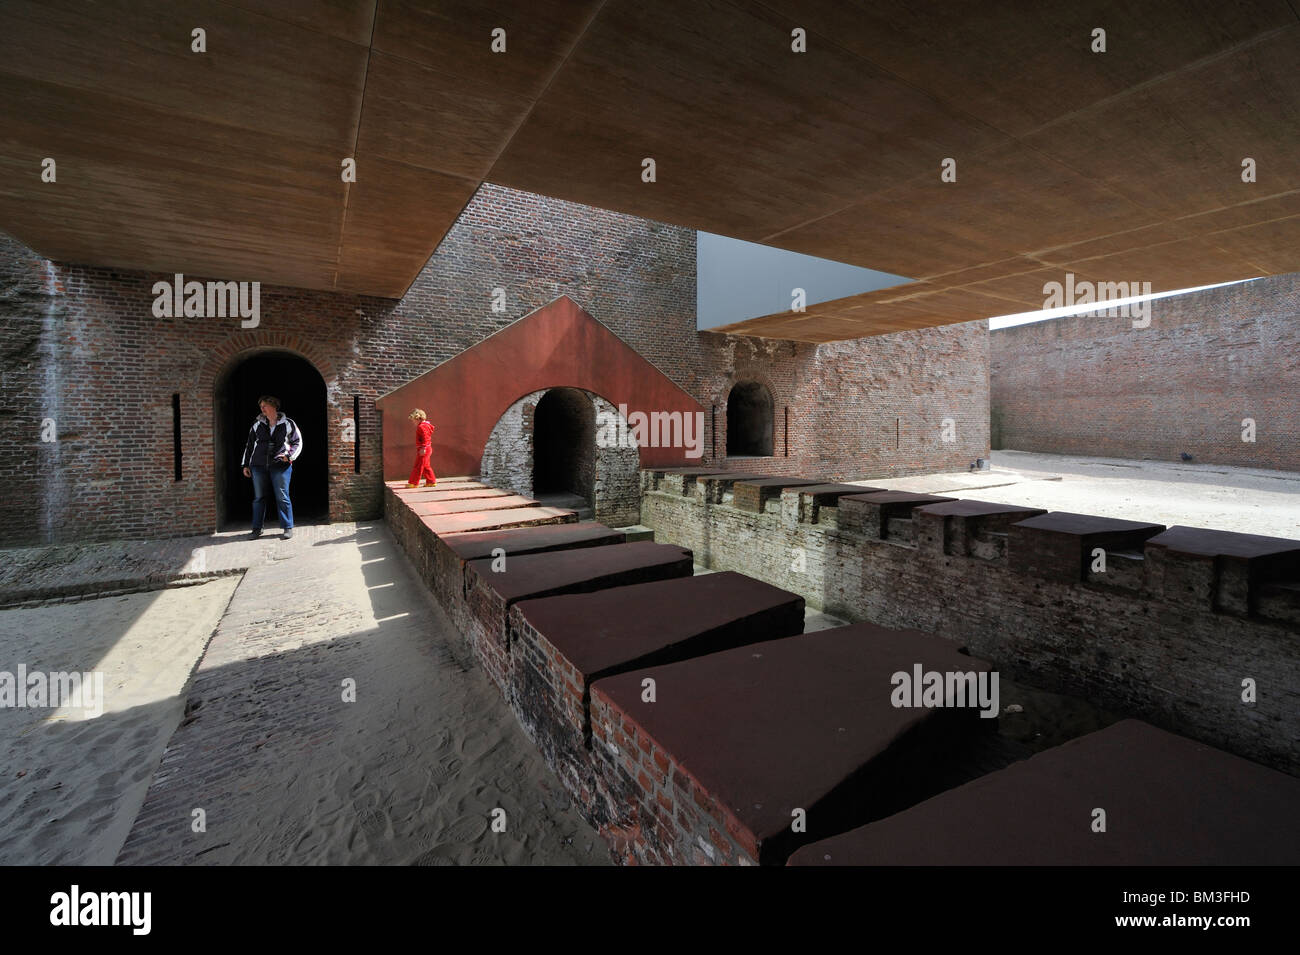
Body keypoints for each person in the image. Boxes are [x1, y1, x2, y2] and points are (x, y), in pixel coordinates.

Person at [241, 395, 303, 539]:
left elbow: (297, 442)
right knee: (259, 497)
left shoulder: (288, 423)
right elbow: (249, 446)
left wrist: (289, 457)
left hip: (280, 466)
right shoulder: (257, 425)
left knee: (282, 496)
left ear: (274, 406)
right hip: (258, 466)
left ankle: (287, 527)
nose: (262, 409)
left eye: (265, 406)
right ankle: (257, 529)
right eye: (261, 407)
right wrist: (245, 464)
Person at [408, 409, 436, 488]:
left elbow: (425, 437)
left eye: (414, 420)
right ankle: (431, 481)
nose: (413, 422)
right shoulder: (426, 426)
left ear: (418, 418)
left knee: (418, 466)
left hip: (424, 449)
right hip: (427, 448)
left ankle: (413, 483)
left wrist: (423, 447)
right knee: (426, 466)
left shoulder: (421, 426)